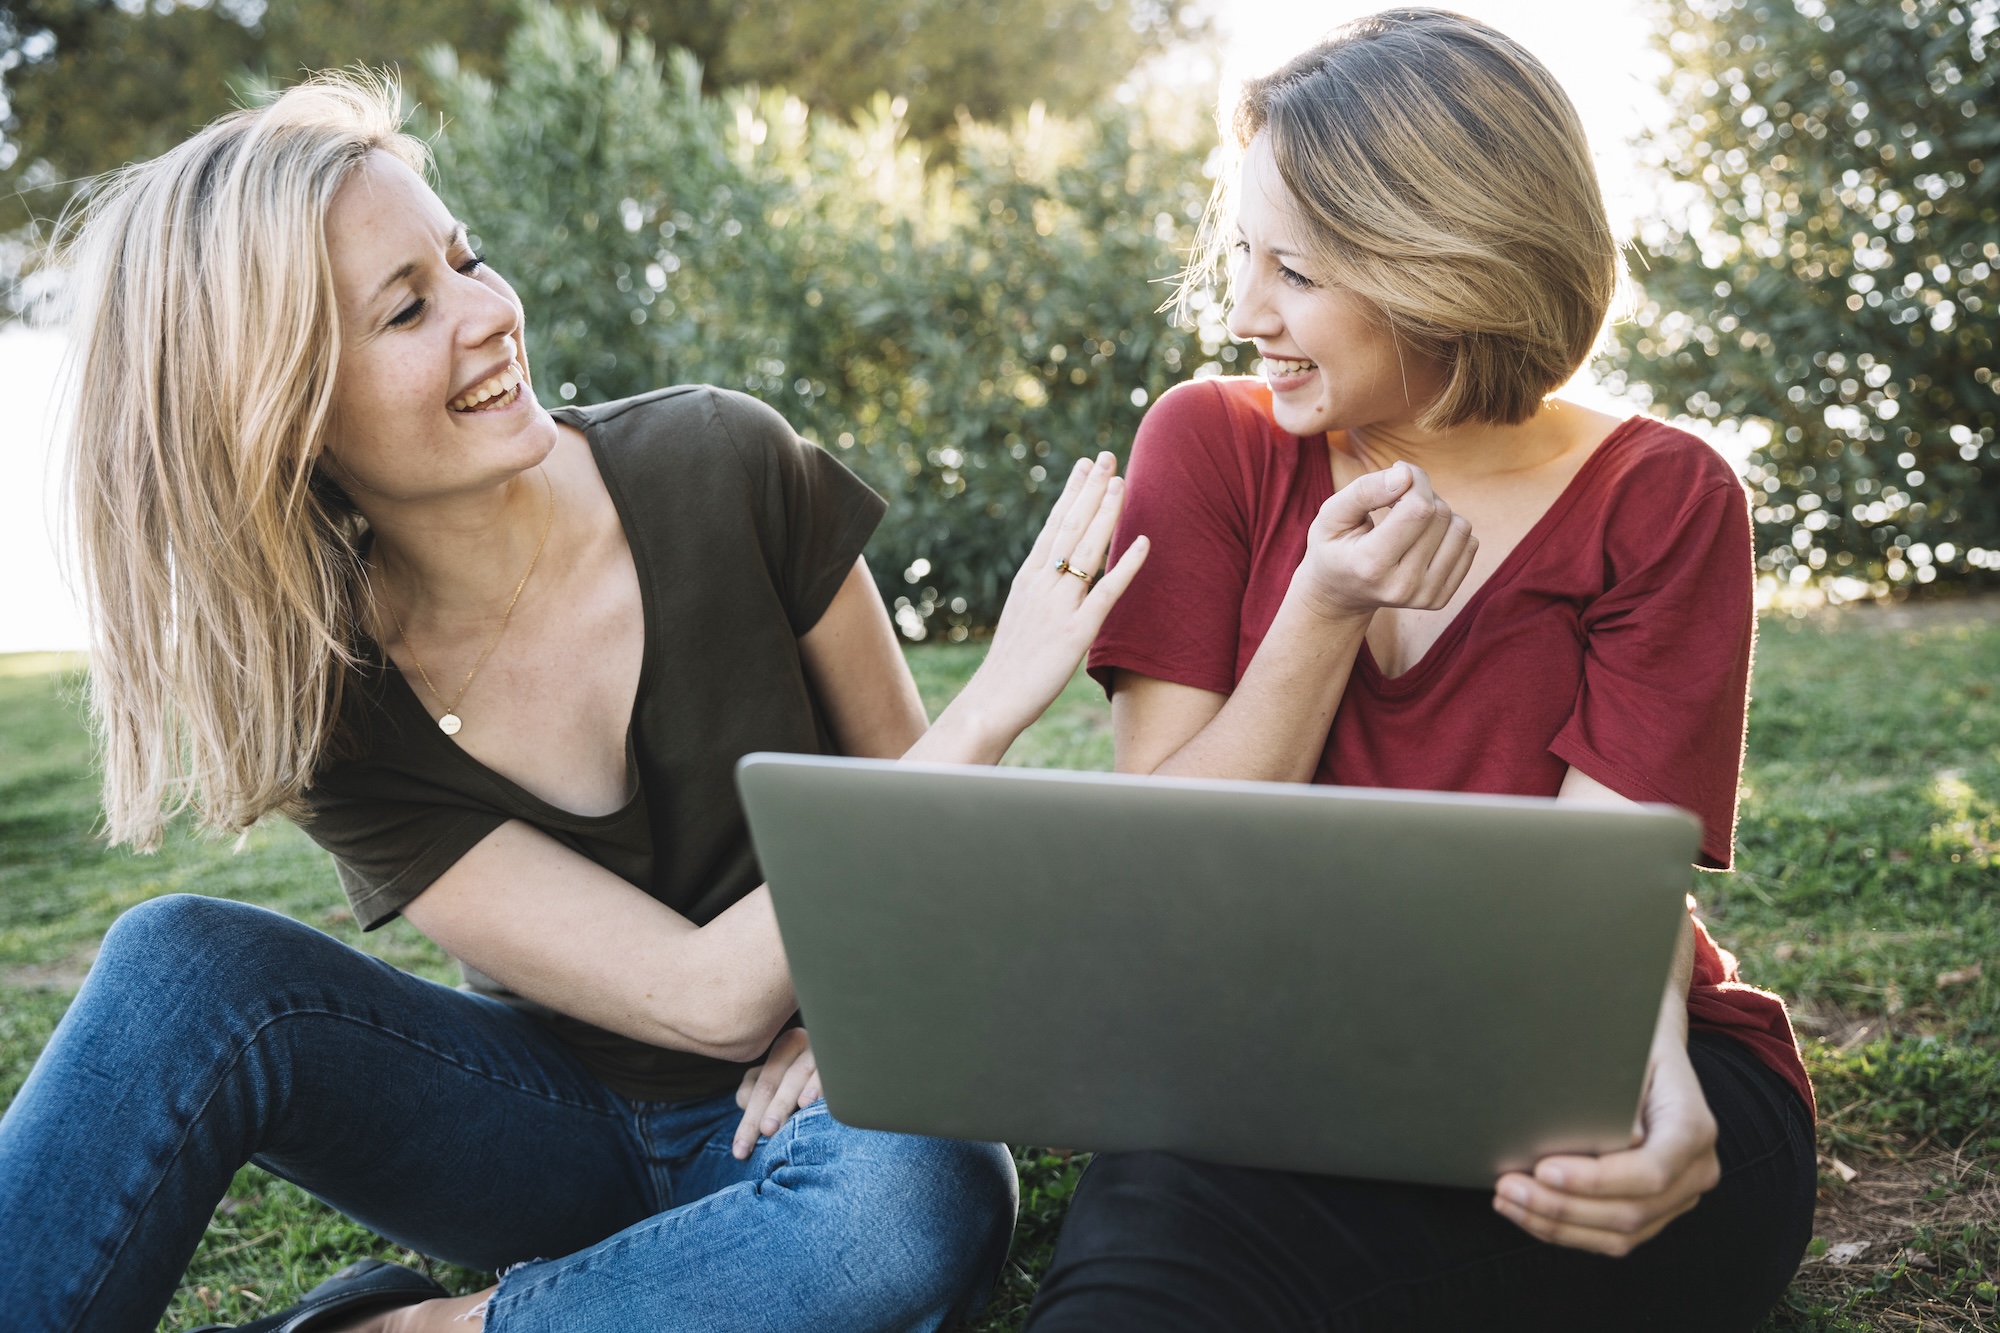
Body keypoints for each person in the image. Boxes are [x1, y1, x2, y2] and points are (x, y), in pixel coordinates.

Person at [0, 74, 1149, 1333]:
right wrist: (985, 708)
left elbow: (952, 863)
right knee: (182, 965)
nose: (489, 314)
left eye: (467, 258)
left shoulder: (724, 461)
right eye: (407, 310)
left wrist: (873, 1009)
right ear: (287, 414)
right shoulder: (332, 701)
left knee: (904, 1211)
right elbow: (706, 998)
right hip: (545, 1135)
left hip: (818, 1118)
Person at [1025, 10, 1816, 1332]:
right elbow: (1163, 872)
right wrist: (1321, 612)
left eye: (1296, 270)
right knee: (1151, 1261)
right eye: (1243, 254)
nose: (1244, 310)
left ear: (1443, 265)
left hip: (1599, 1068)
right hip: (1271, 1064)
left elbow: (1592, 922)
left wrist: (1649, 1072)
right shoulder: (1212, 445)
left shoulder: (1666, 498)